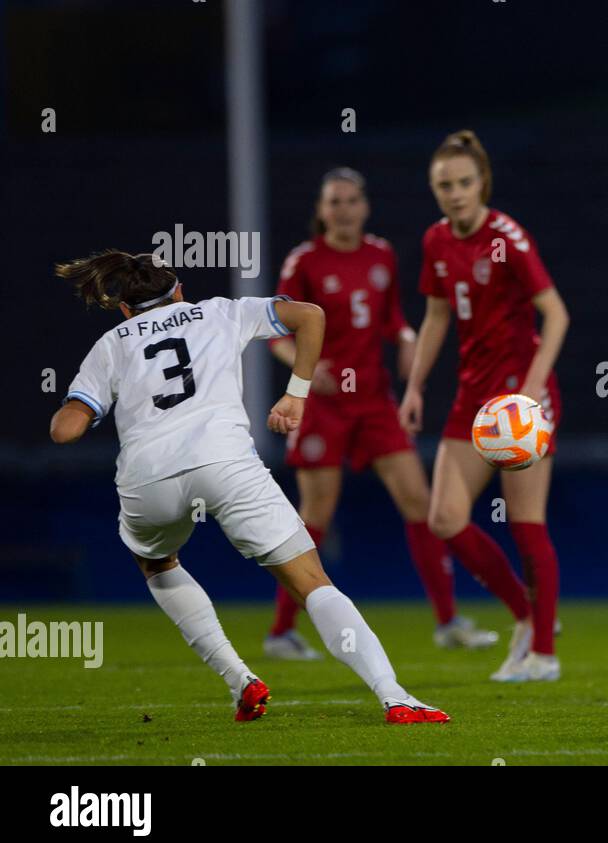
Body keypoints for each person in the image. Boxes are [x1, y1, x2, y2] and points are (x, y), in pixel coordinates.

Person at [50, 249, 449, 724]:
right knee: (311, 582)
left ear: (124, 308)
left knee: (156, 561)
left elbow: (65, 430)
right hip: (226, 463)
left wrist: (80, 407)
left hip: (148, 477)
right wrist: (295, 395)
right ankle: (395, 696)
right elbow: (310, 316)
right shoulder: (219, 311)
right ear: (179, 291)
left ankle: (240, 678)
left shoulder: (111, 344)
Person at [264, 167, 496, 660]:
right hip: (323, 406)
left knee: (421, 503)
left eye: (351, 200)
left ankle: (449, 621)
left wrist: (408, 338)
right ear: (322, 210)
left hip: (374, 402)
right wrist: (304, 366)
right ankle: (282, 631)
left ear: (364, 207)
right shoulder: (304, 261)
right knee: (315, 517)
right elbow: (278, 333)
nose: (343, 209)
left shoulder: (381, 254)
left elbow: (392, 317)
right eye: (334, 201)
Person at [400, 130, 569, 682]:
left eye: (464, 182)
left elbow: (556, 314)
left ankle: (544, 654)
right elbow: (437, 318)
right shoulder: (436, 241)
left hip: (520, 397)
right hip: (473, 398)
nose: (455, 193)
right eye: (444, 185)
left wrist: (534, 389)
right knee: (444, 518)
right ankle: (524, 616)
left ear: (483, 183)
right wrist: (416, 387)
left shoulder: (508, 237)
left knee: (526, 523)